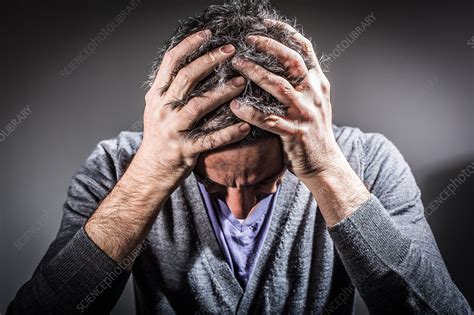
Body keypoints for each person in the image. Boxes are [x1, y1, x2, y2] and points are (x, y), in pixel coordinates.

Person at [7, 0, 471, 314]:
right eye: (210, 184)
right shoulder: (117, 168)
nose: (239, 208)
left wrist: (327, 171)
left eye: (267, 181)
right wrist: (148, 178)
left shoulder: (366, 163)